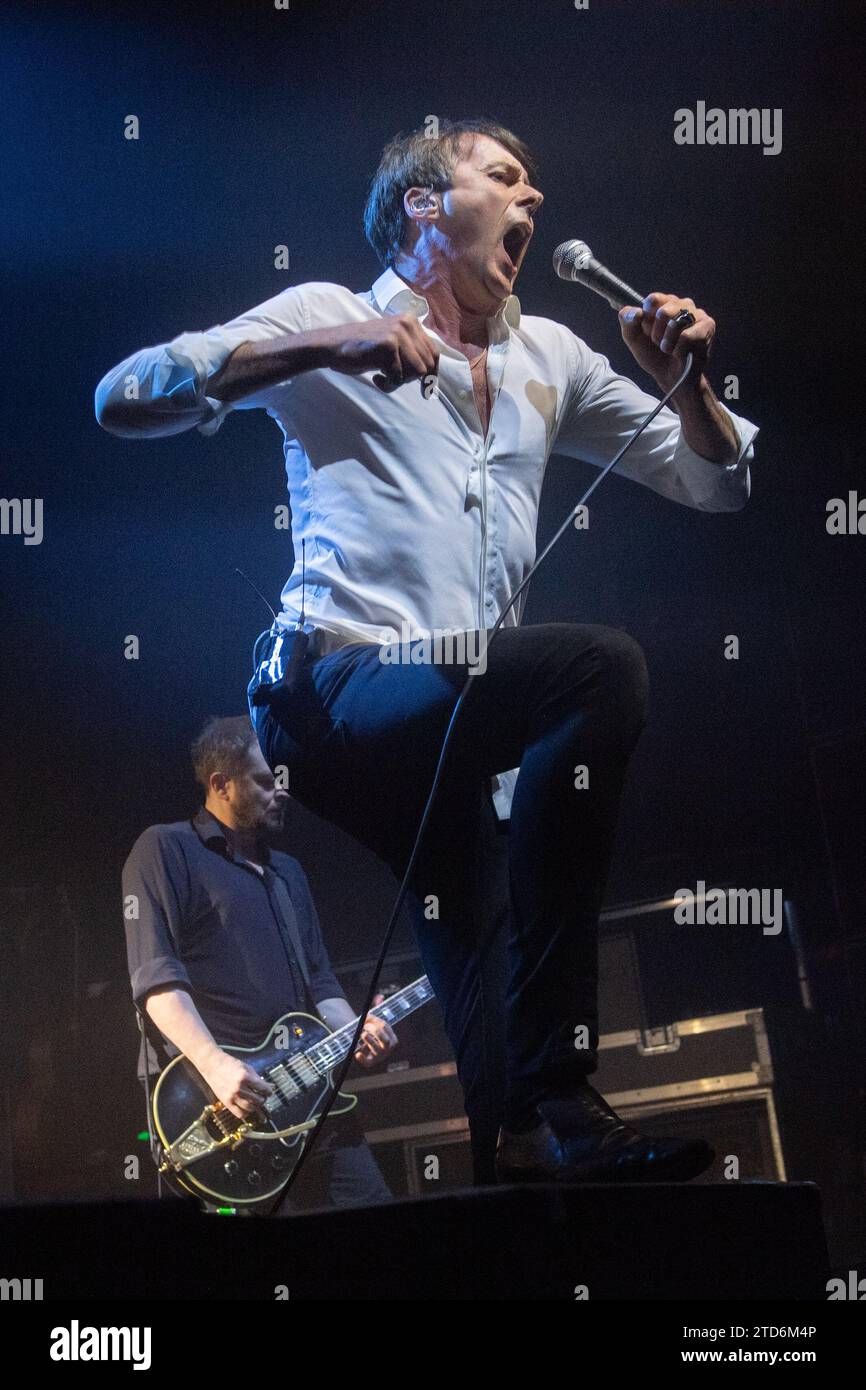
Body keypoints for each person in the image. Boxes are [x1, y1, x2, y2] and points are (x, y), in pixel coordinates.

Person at [99, 117, 758, 1186]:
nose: (530, 200)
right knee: (596, 669)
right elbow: (124, 396)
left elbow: (716, 485)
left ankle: (517, 1138)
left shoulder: (550, 355)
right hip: (327, 689)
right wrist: (324, 348)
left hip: (451, 709)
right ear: (422, 205)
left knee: (475, 904)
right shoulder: (331, 312)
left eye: (535, 187)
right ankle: (555, 1081)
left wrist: (687, 382)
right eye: (501, 177)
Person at [122, 716, 395, 1210]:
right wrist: (216, 1066)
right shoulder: (165, 849)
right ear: (221, 785)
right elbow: (157, 981)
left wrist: (357, 1030)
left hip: (312, 1094)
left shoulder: (287, 871)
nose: (282, 792)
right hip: (223, 1105)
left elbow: (321, 982)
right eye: (266, 781)